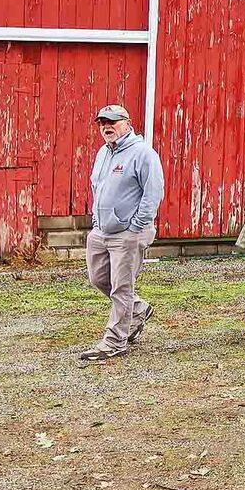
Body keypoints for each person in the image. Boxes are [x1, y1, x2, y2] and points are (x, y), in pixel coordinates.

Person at [79, 104, 165, 362]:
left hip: (128, 234)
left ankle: (115, 341)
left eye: (113, 122)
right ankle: (138, 309)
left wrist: (136, 226)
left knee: (121, 288)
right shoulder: (103, 153)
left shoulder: (143, 154)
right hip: (101, 231)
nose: (107, 127)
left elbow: (153, 193)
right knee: (98, 279)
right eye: (102, 122)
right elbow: (98, 188)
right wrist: (96, 220)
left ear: (127, 123)